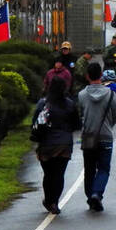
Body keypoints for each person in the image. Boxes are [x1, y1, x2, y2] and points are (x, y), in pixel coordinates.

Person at [33, 71, 79, 214]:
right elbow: (77, 124)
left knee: (48, 174)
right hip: (64, 145)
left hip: (46, 144)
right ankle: (55, 202)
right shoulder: (70, 104)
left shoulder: (43, 103)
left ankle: (48, 200)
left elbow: (34, 123)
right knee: (59, 174)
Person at [76, 61, 116, 211]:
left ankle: (90, 196)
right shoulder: (111, 94)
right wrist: (108, 127)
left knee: (89, 168)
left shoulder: (81, 95)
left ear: (87, 76)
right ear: (101, 75)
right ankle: (97, 193)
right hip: (106, 136)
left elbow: (80, 115)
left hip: (88, 136)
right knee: (103, 168)